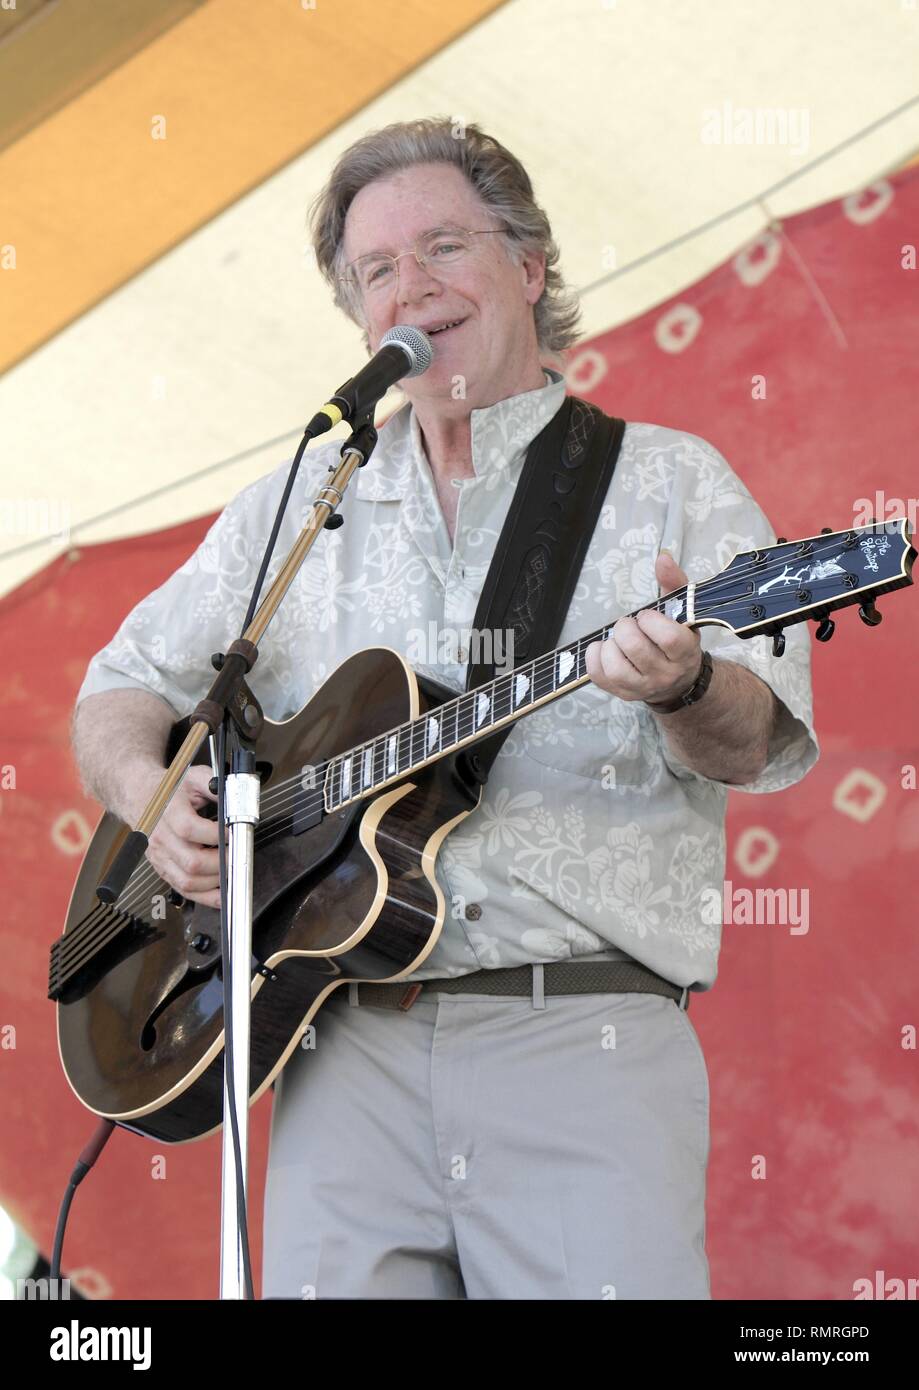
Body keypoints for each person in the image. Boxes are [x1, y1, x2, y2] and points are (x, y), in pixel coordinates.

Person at [72, 117, 818, 1300]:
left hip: (582, 1036)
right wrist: (151, 798)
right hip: (339, 1043)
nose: (410, 287)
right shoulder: (299, 506)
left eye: (443, 248)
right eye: (376, 272)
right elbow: (122, 683)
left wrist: (681, 681)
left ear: (529, 267)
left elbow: (757, 736)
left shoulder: (669, 482)